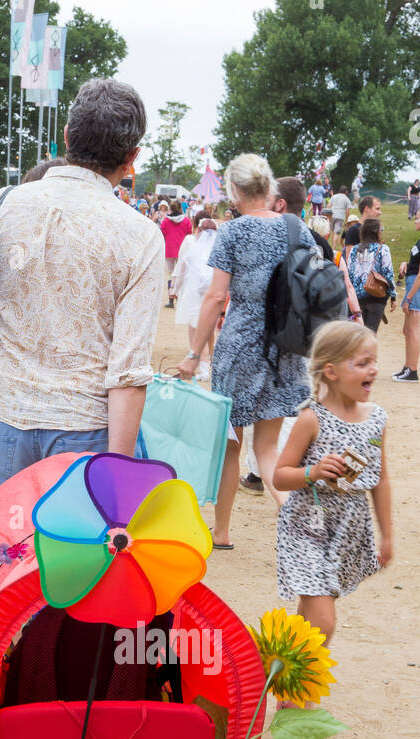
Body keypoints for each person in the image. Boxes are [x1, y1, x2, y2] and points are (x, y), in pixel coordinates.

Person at [0, 78, 162, 500]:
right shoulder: (140, 236)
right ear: (131, 159)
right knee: (78, 565)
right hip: (84, 429)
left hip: (1, 414)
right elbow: (128, 373)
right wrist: (118, 482)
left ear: (66, 137)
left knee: (1, 560)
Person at [176, 152, 322, 545]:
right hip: (286, 346)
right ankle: (301, 521)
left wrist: (193, 354)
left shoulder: (233, 232)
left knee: (230, 446)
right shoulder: (298, 228)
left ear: (236, 190)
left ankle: (221, 530)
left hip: (240, 344)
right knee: (268, 446)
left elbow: (215, 297)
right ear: (269, 186)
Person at [272, 320, 392, 645]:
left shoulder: (376, 419)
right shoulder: (311, 419)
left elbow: (380, 480)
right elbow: (280, 476)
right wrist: (312, 472)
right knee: (323, 623)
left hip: (347, 532)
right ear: (331, 371)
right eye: (362, 363)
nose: (374, 370)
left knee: (310, 617)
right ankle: (302, 692)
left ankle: (287, 682)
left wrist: (388, 536)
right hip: (306, 529)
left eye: (374, 362)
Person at [393, 207, 420, 382]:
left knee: (413, 330)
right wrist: (406, 264)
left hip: (418, 287)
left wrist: (409, 297)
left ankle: (413, 371)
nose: (416, 221)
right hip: (413, 285)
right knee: (407, 330)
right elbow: (416, 266)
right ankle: (407, 366)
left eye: (418, 218)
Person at [172, 213, 218, 378]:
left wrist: (175, 289)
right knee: (209, 332)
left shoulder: (193, 249)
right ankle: (208, 363)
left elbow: (181, 270)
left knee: (195, 333)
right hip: (211, 296)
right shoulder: (217, 252)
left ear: (198, 229)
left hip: (193, 297)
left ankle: (203, 369)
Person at [346, 218, 396, 334]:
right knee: (370, 335)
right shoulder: (383, 249)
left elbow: (350, 274)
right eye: (381, 229)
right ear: (375, 231)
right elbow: (388, 274)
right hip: (377, 297)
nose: (382, 232)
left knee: (357, 335)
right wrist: (393, 296)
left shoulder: (354, 250)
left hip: (357, 299)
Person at [161, 198, 192, 308]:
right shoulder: (186, 221)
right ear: (180, 208)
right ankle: (180, 298)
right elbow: (189, 233)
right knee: (181, 274)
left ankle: (170, 299)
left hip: (169, 250)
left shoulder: (166, 221)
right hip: (183, 251)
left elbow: (162, 233)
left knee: (171, 275)